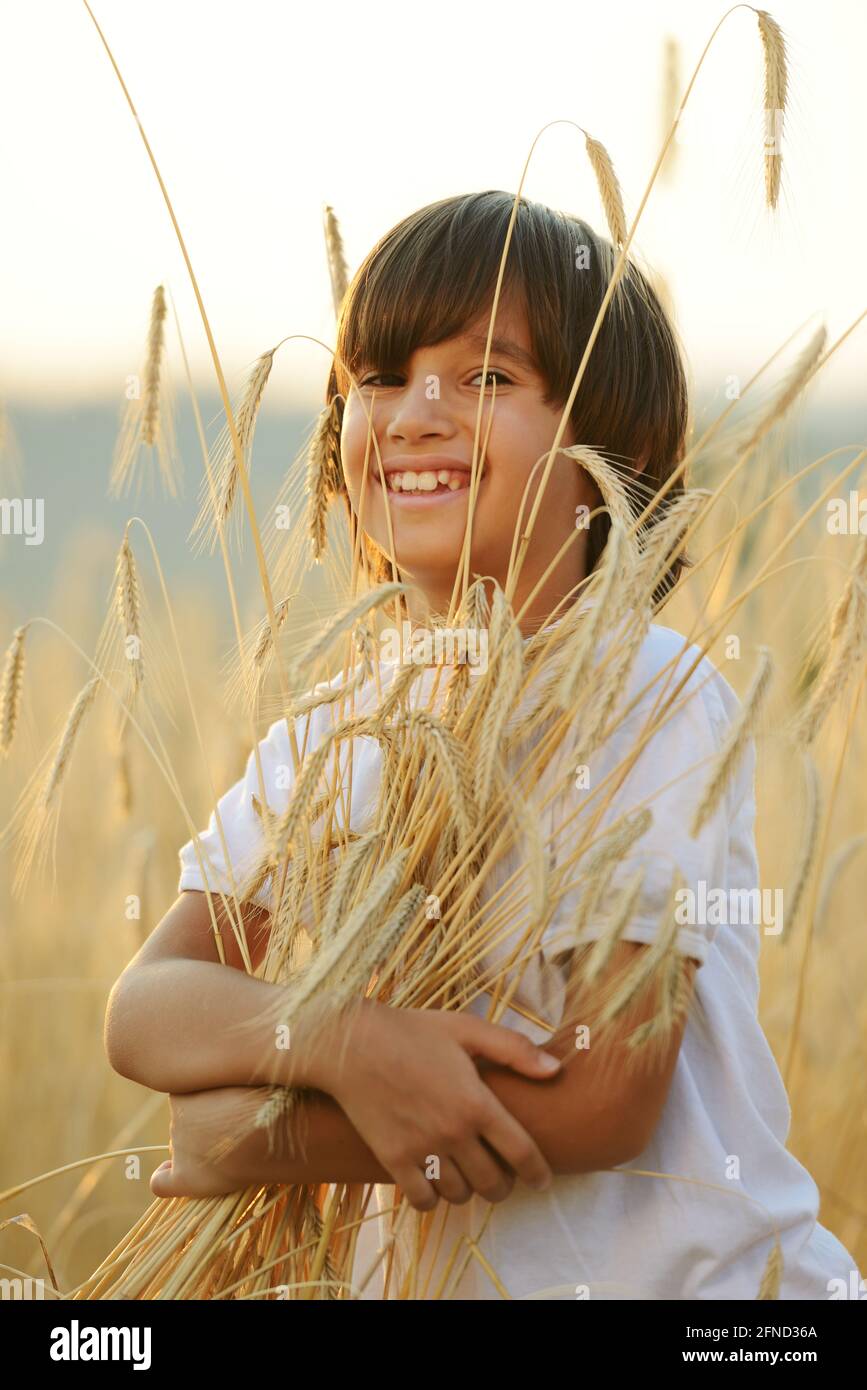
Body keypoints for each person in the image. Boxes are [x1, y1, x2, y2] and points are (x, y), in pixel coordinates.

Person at [104, 191, 861, 1300]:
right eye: (376, 378)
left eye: (487, 377)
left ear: (604, 440)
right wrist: (345, 1044)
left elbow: (604, 1098)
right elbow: (149, 1007)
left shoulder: (644, 696)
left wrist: (267, 1135)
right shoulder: (334, 730)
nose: (413, 414)